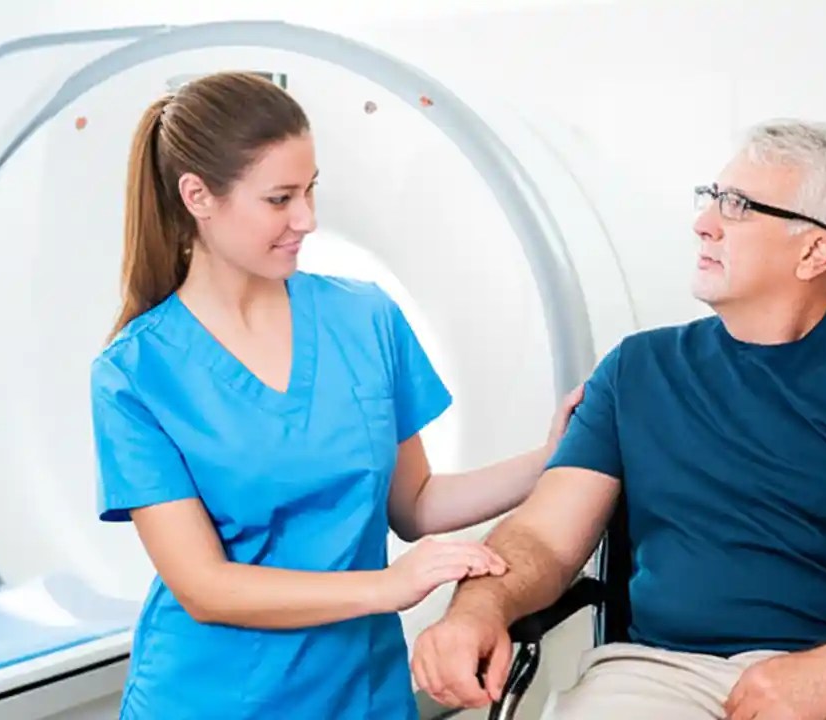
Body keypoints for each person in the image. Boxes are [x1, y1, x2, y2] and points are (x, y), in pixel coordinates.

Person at [412, 119, 826, 719]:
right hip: (661, 674)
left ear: (815, 251)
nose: (704, 223)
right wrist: (477, 607)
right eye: (712, 197)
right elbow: (544, 540)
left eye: (737, 206)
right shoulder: (636, 371)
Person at [88, 71, 582, 720]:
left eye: (311, 189)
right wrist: (392, 586)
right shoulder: (136, 371)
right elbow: (205, 587)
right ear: (197, 196)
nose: (307, 219)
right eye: (279, 198)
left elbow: (416, 504)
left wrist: (552, 458)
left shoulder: (365, 318)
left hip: (361, 692)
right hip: (211, 697)